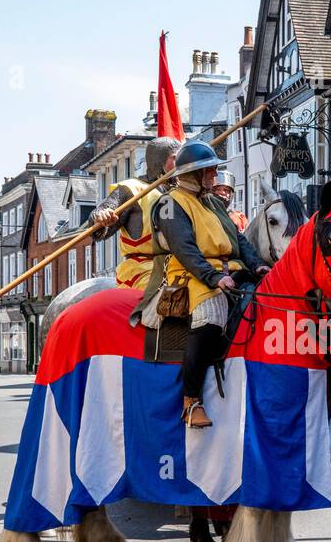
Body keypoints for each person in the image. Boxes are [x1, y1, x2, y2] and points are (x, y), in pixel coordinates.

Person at [150, 141, 270, 427]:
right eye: (210, 171)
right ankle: (192, 401)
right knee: (212, 317)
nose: (215, 175)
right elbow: (184, 249)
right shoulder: (169, 203)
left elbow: (238, 240)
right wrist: (214, 277)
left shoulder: (214, 202)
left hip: (234, 272)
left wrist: (257, 265)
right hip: (193, 275)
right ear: (193, 174)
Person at [91, 137, 181, 289]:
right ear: (159, 160)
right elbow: (101, 217)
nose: (181, 162)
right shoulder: (131, 189)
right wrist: (101, 216)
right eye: (175, 158)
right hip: (142, 269)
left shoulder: (181, 192)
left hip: (177, 265)